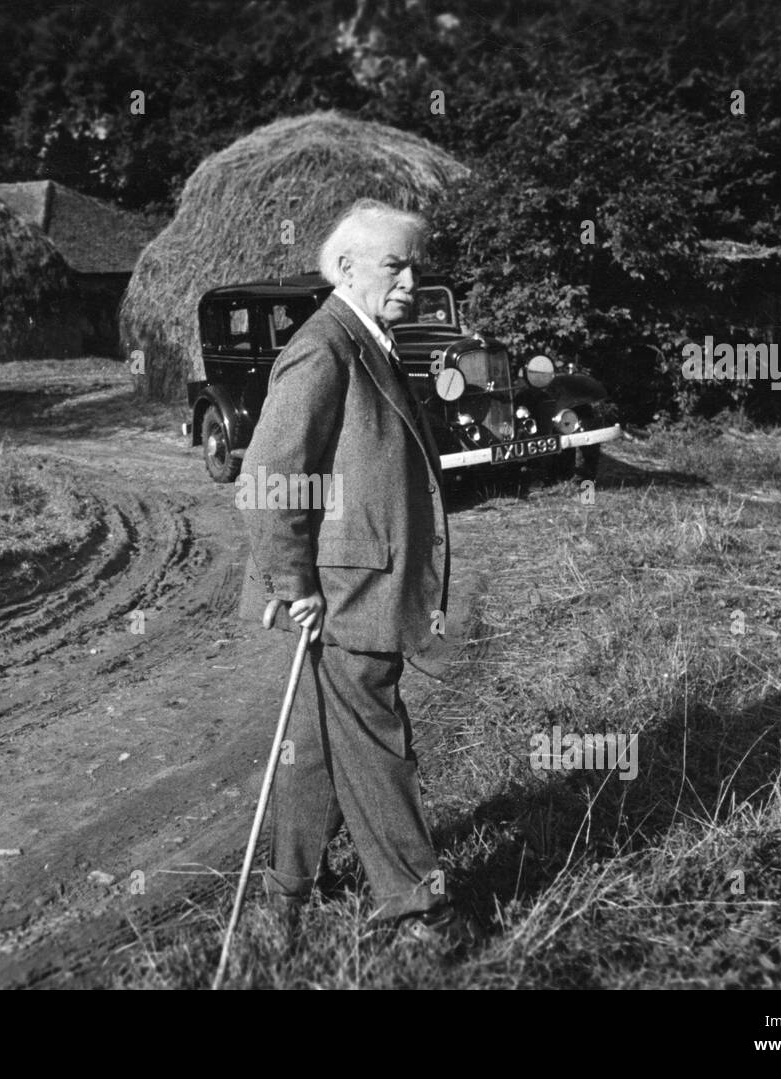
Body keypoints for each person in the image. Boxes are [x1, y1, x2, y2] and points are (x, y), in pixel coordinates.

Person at [237, 198, 477, 949]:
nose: (410, 280)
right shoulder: (326, 346)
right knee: (377, 744)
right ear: (346, 268)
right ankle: (417, 910)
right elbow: (270, 476)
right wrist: (294, 581)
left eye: (415, 265)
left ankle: (285, 897)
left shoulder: (369, 338)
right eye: (395, 265)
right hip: (344, 590)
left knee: (310, 743)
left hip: (354, 580)